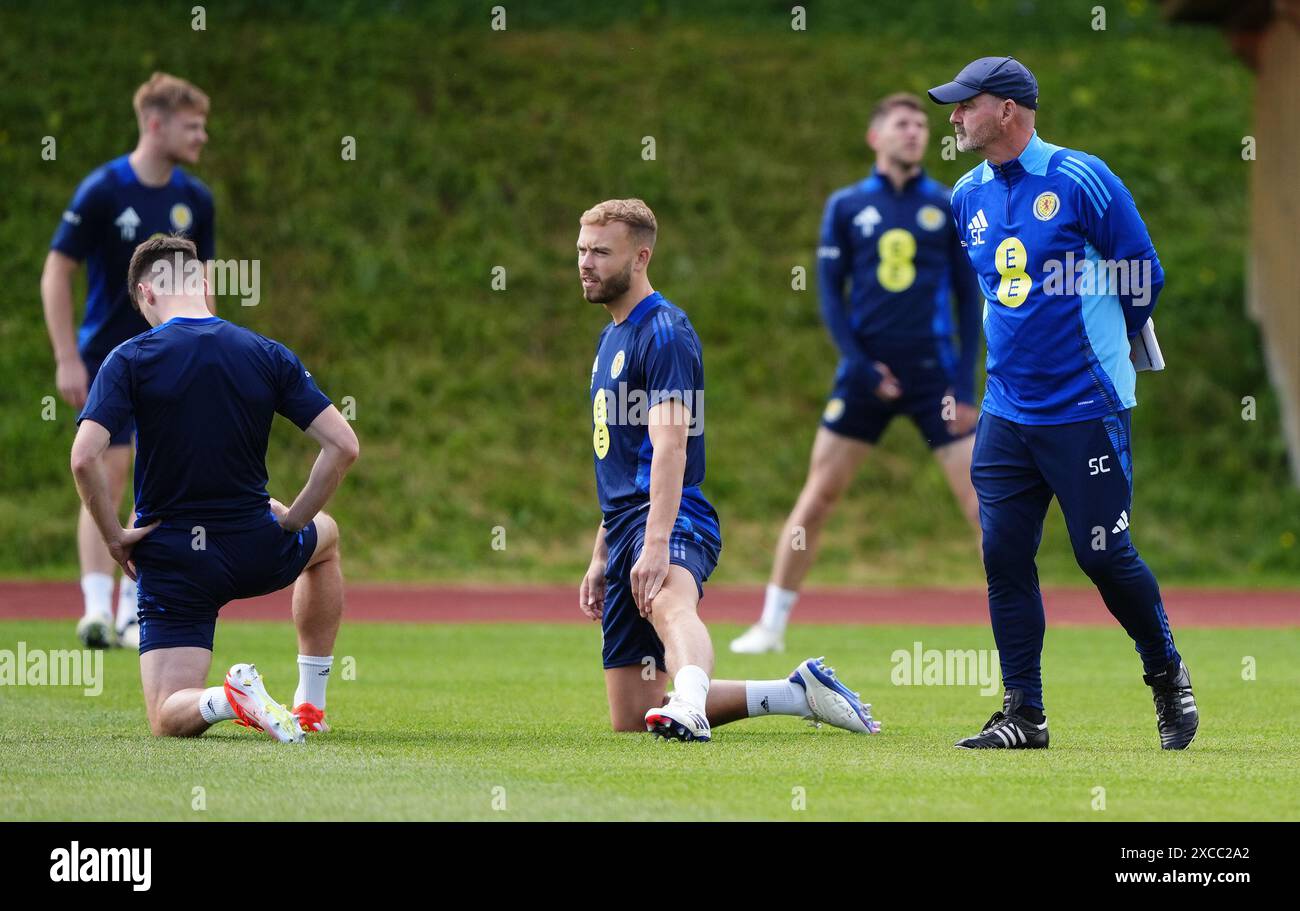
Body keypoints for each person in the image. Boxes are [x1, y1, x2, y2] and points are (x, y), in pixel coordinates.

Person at [928, 56, 1197, 749]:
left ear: (1008, 110)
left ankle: (1166, 672)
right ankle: (1025, 711)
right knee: (1004, 556)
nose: (954, 118)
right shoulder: (966, 194)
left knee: (1102, 554)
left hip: (1083, 407)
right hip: (1007, 413)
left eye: (966, 105)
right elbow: (986, 294)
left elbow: (1144, 274)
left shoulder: (1081, 178)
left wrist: (1102, 348)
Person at [577, 198, 880, 742]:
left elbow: (669, 447)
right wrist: (603, 553)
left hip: (668, 514)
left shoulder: (664, 331)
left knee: (670, 604)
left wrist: (655, 541)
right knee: (631, 715)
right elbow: (620, 460)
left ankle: (691, 705)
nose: (586, 262)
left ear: (641, 257)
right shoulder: (609, 338)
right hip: (623, 522)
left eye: (601, 251)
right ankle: (795, 693)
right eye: (581, 249)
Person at [70, 235, 359, 742]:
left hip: (172, 558)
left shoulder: (129, 358)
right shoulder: (267, 353)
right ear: (203, 283)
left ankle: (226, 698)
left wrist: (114, 536)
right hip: (256, 545)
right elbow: (343, 446)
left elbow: (84, 456)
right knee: (326, 538)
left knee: (166, 714)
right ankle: (310, 705)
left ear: (146, 294)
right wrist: (293, 520)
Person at [731, 92, 983, 655]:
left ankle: (1013, 620)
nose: (915, 132)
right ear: (876, 137)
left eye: (921, 124)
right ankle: (771, 625)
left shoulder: (947, 205)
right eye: (902, 124)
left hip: (933, 374)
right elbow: (829, 294)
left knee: (981, 502)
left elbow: (970, 300)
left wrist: (965, 384)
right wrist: (858, 364)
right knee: (819, 496)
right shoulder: (846, 206)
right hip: (866, 374)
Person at [43, 72, 216, 649]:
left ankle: (136, 609)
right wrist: (68, 356)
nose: (203, 137)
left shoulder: (195, 199)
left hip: (175, 363)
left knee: (161, 478)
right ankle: (96, 609)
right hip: (108, 359)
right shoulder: (103, 190)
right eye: (192, 127)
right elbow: (56, 271)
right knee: (106, 469)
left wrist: (210, 348)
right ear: (155, 123)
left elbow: (204, 282)